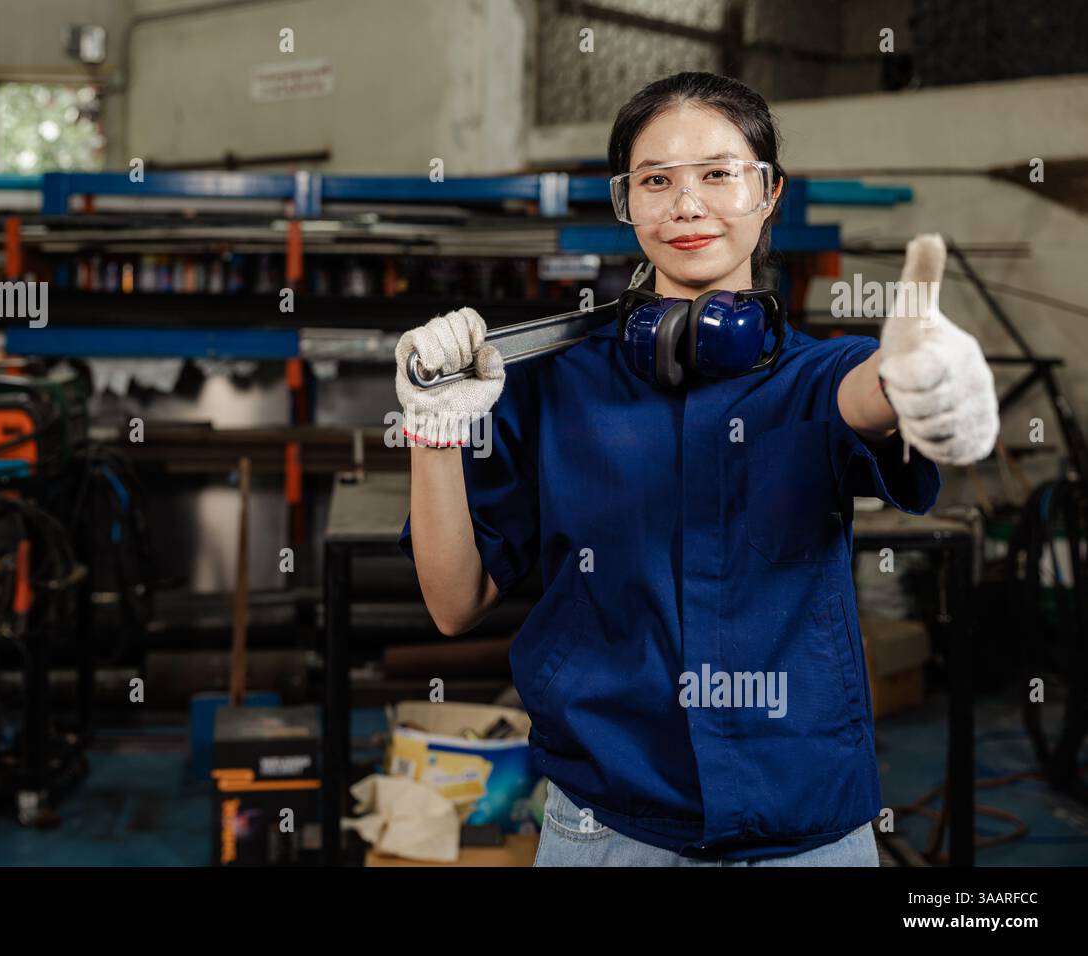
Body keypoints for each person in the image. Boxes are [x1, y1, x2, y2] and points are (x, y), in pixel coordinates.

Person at [394, 72, 999, 866]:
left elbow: (868, 391)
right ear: (625, 201)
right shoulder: (551, 381)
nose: (687, 205)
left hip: (806, 824)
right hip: (607, 826)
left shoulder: (813, 375)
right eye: (656, 181)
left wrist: (919, 375)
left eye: (719, 173)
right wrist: (432, 431)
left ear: (770, 193)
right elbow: (452, 603)